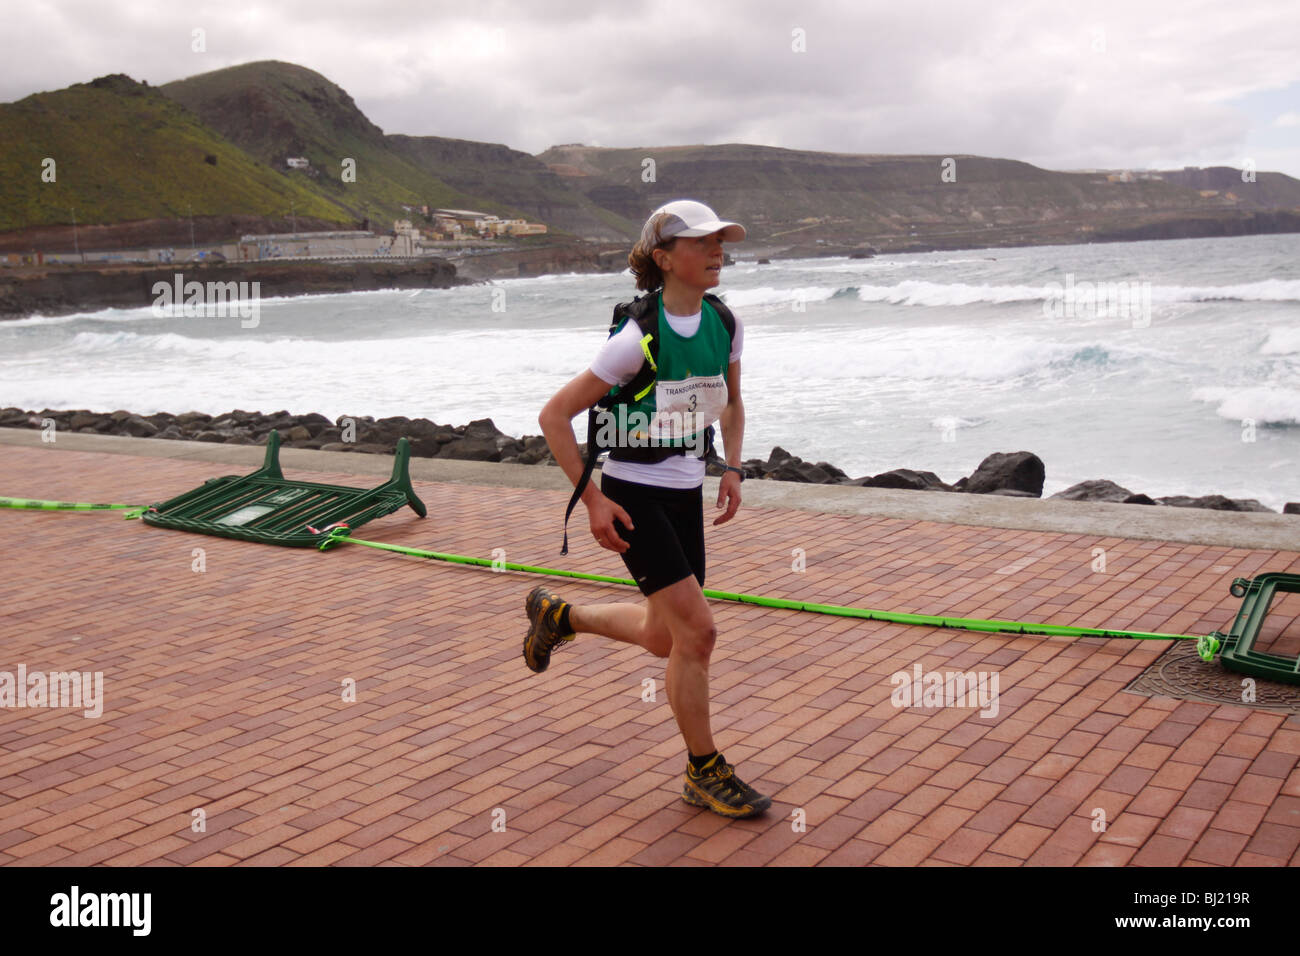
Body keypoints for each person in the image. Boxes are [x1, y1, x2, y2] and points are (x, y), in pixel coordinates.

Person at [525, 199, 771, 819]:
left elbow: (733, 403)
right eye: (701, 243)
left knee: (666, 638)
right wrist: (593, 500)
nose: (717, 250)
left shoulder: (725, 321)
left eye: (721, 241)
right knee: (699, 632)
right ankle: (703, 769)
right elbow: (554, 417)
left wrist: (734, 466)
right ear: (662, 258)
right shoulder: (637, 337)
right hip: (634, 497)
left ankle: (560, 615)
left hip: (687, 493)